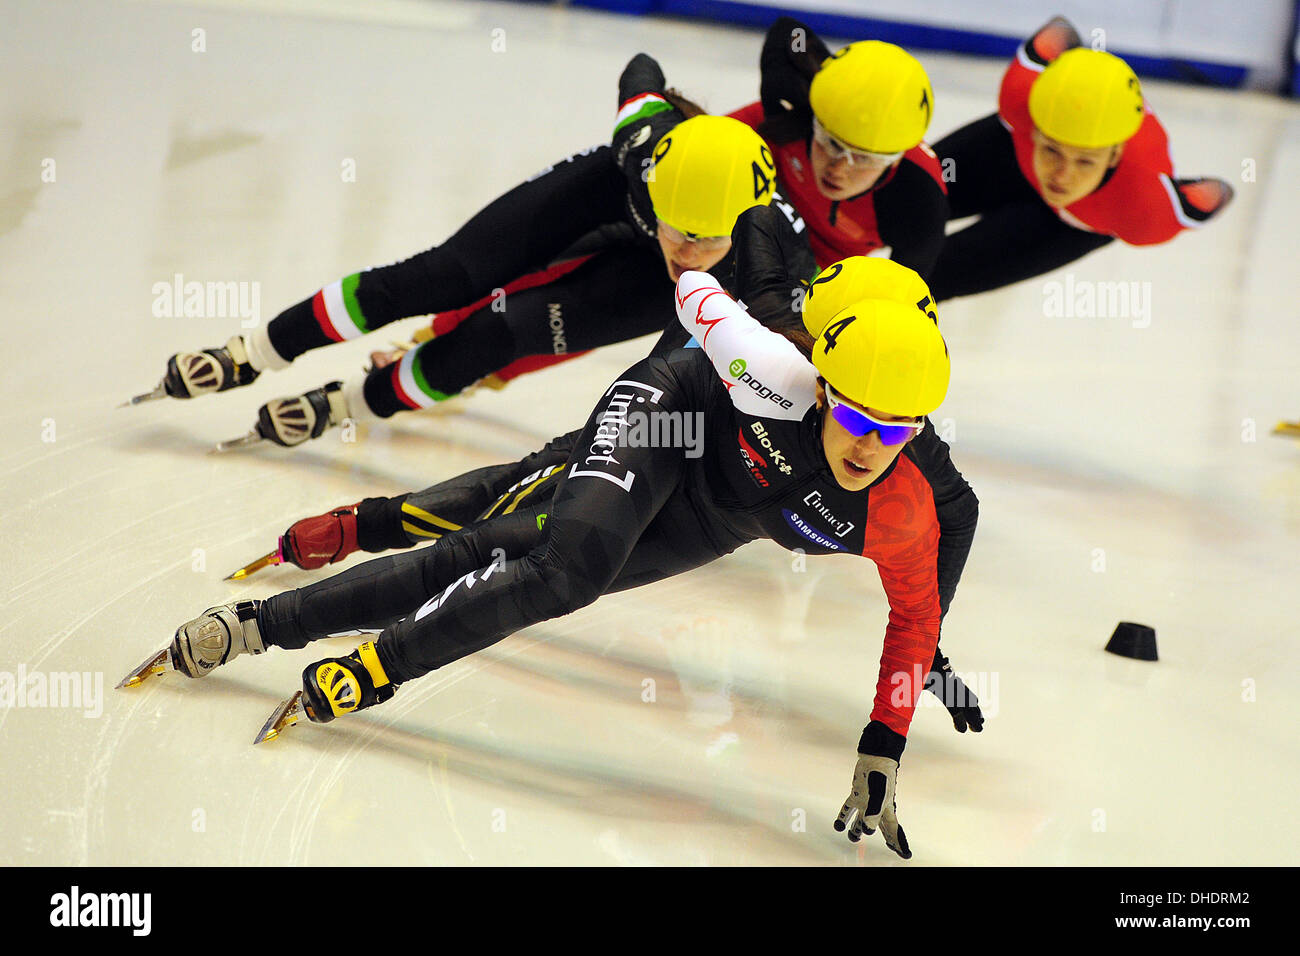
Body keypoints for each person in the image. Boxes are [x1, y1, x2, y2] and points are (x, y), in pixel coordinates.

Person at [130, 256, 981, 858]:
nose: (871, 446)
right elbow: (696, 295)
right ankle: (366, 663)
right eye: (859, 420)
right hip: (667, 418)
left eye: (895, 432)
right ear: (823, 386)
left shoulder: (901, 512)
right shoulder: (769, 370)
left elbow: (914, 616)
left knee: (504, 550)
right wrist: (695, 269)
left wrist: (883, 744)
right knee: (565, 572)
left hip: (712, 519)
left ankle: (257, 625)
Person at [131, 53, 814, 449]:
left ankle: (346, 405)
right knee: (447, 277)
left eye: (708, 239)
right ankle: (253, 352)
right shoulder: (641, 139)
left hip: (646, 280)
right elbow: (640, 68)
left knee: (506, 331)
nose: (691, 251)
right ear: (658, 191)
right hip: (602, 195)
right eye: (679, 229)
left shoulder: (765, 235)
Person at [928, 15, 1234, 302]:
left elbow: (1216, 194)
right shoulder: (1021, 96)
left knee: (926, 282)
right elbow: (1062, 29)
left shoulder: (1146, 208)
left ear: (1114, 156)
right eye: (1052, 151)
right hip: (1011, 153)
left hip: (1071, 225)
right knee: (888, 201)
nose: (1061, 176)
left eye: (1085, 161)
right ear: (1035, 127)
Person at [728, 17, 949, 278]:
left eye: (865, 158)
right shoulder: (791, 117)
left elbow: (903, 299)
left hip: (819, 273)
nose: (840, 168)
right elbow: (788, 29)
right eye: (832, 143)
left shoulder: (918, 200)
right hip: (750, 212)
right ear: (814, 120)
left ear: (895, 161)